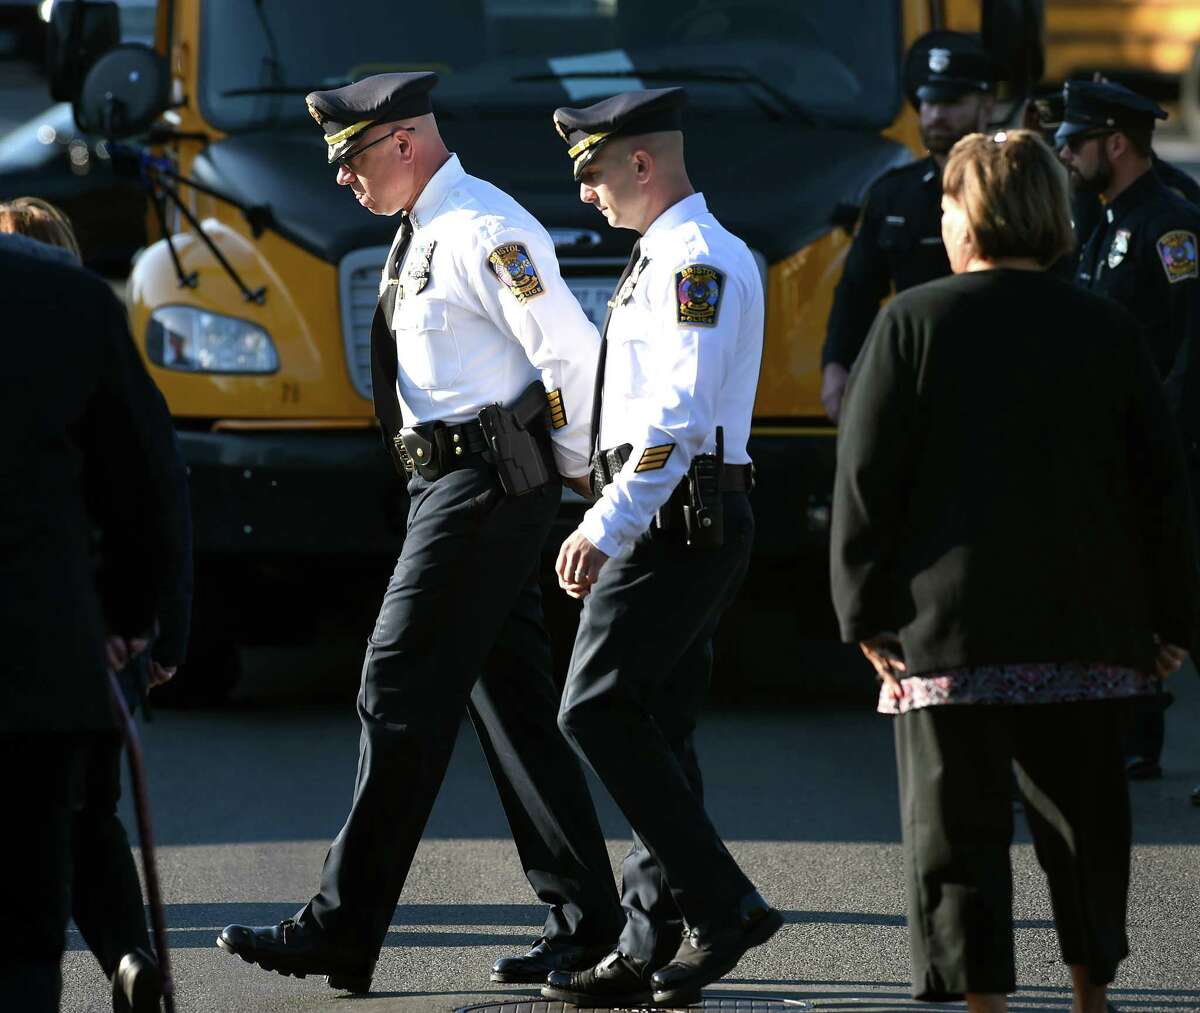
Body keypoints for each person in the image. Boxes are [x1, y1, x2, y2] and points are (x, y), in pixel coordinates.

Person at [216, 72, 622, 994]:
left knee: (393, 682)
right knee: (511, 701)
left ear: (404, 142)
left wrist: (571, 482)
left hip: (484, 484)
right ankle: (591, 920)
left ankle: (339, 926)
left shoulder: (483, 228)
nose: (342, 180)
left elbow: (572, 354)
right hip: (451, 482)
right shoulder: (425, 230)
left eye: (353, 157)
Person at [831, 128, 1199, 1013]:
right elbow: (1161, 487)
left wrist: (864, 615)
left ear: (972, 219)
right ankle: (1089, 991)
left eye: (950, 204)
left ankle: (984, 1002)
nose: (944, 217)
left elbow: (866, 484)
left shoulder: (911, 322)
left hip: (944, 635)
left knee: (956, 835)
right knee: (1086, 825)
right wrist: (1171, 622)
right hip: (1087, 628)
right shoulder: (1105, 327)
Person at [542, 88, 778, 1009]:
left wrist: (606, 522)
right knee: (656, 723)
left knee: (592, 710)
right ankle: (648, 940)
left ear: (642, 163)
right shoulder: (665, 255)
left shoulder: (698, 261)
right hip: (677, 514)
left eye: (595, 173)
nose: (588, 195)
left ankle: (725, 906)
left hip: (675, 519)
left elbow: (676, 418)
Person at [0, 198, 193, 1013]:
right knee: (22, 935)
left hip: (53, 660)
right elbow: (147, 486)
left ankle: (122, 951)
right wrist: (126, 618)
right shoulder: (73, 307)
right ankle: (122, 953)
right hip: (41, 662)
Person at [1056, 79, 1200, 781]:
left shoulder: (1170, 227)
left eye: (1076, 142)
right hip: (1112, 445)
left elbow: (1188, 348)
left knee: (1182, 592)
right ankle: (1136, 736)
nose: (1066, 153)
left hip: (1165, 447)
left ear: (1117, 144)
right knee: (1126, 592)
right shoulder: (1105, 223)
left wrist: (1162, 439)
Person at [820, 31, 995, 421]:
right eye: (928, 102)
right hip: (914, 388)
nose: (935, 115)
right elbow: (857, 290)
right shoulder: (893, 194)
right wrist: (836, 364)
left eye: (951, 102)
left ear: (987, 104)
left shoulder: (1016, 191)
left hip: (995, 383)